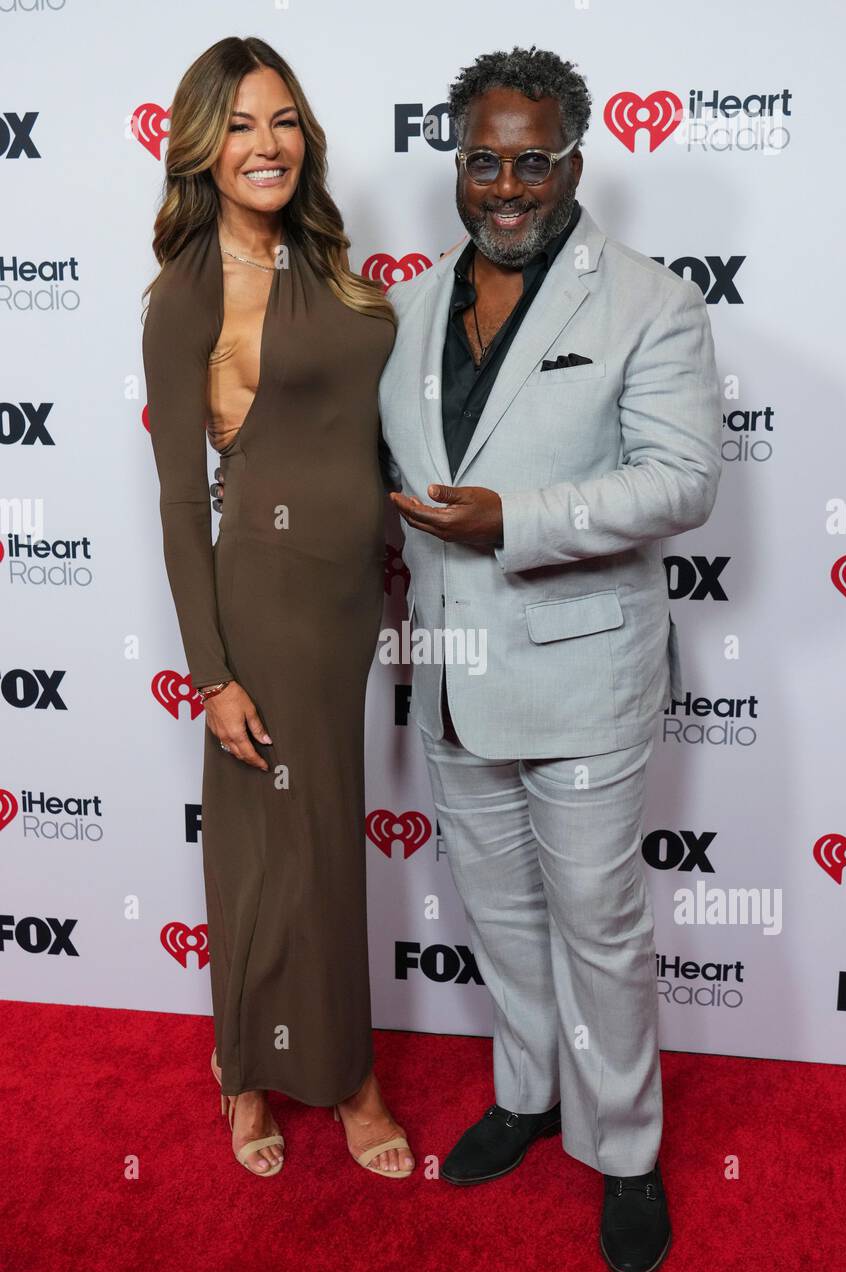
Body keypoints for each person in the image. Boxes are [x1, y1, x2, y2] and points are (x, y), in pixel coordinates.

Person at [379, 45, 721, 1272]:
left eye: (532, 161)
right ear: (456, 165)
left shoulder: (647, 300)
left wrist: (514, 522)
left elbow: (682, 480)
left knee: (597, 925)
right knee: (503, 916)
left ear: (573, 161)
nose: (506, 186)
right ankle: (526, 1093)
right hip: (454, 673)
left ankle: (623, 1149)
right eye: (483, 161)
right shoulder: (411, 302)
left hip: (581, 680)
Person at [142, 35, 414, 1178]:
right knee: (278, 850)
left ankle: (263, 1058)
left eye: (284, 121)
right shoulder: (189, 294)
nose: (268, 146)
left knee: (307, 842)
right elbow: (175, 500)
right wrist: (212, 674)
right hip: (270, 605)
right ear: (201, 148)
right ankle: (303, 1077)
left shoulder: (331, 267)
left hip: (354, 597)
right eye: (242, 126)